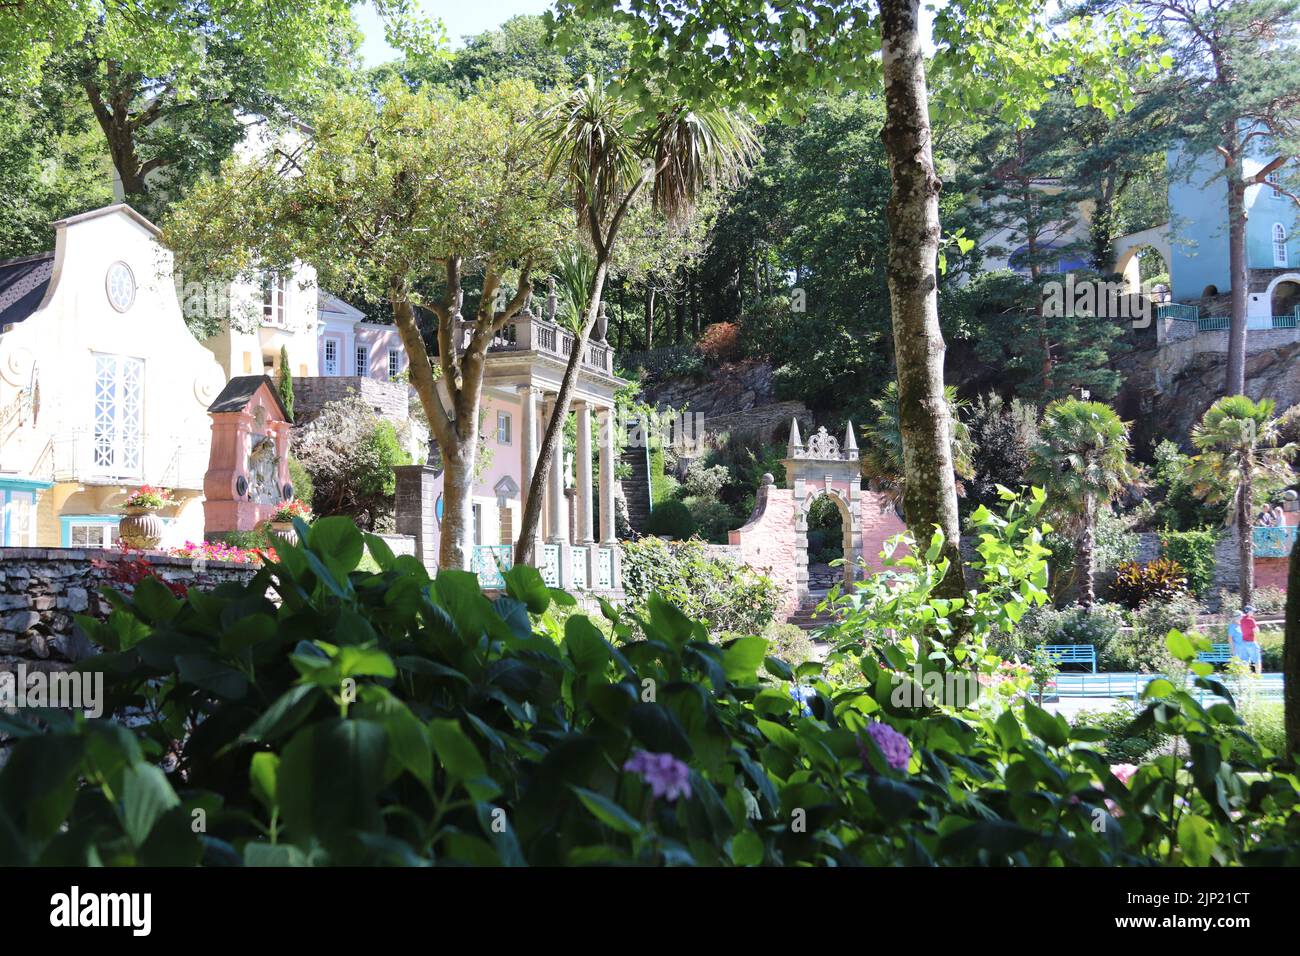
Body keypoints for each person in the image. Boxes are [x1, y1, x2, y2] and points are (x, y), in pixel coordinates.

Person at [1239, 605, 1262, 674]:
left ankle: (1245, 676)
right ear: (1248, 612)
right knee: (1257, 661)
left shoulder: (1241, 620)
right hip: (1251, 642)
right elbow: (1256, 631)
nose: (1253, 612)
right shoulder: (1251, 620)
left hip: (1243, 642)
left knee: (1245, 661)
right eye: (1252, 611)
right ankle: (1258, 675)